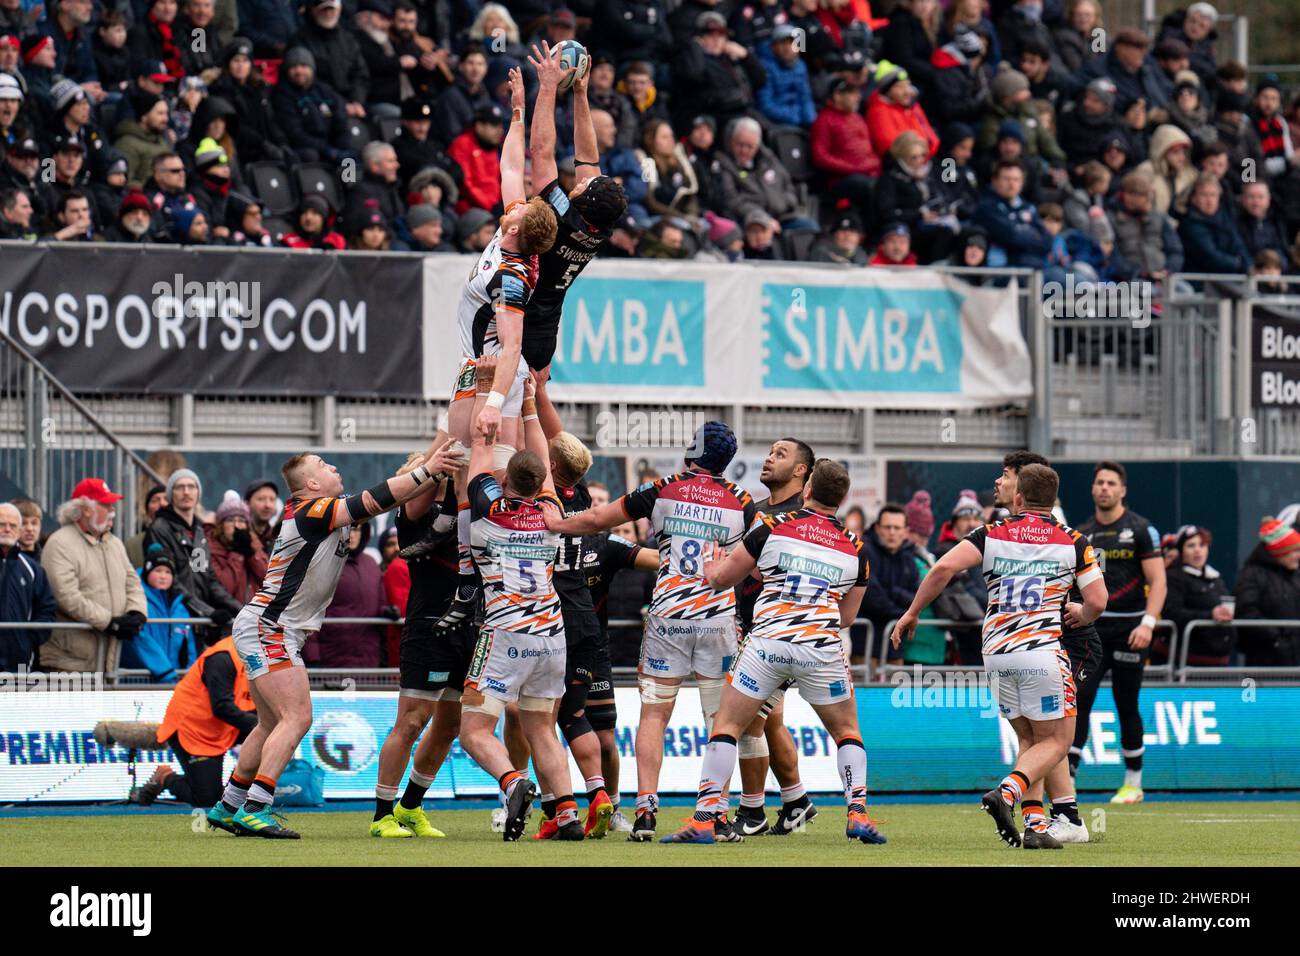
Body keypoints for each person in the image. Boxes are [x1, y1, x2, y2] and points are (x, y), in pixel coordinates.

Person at [204, 440, 464, 838]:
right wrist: (429, 469)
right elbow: (376, 500)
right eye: (323, 464)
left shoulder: (322, 510)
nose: (333, 467)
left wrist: (436, 452)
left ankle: (230, 804)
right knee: (297, 718)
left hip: (266, 626)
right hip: (269, 627)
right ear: (310, 482)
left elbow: (389, 493)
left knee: (271, 722)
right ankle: (257, 806)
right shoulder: (312, 510)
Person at [542, 421, 756, 842]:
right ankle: (713, 813)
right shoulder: (743, 501)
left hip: (667, 619)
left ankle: (645, 812)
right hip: (716, 622)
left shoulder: (663, 487)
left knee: (654, 717)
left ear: (692, 450)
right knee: (720, 721)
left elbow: (602, 518)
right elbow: (757, 561)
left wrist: (559, 523)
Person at [663, 459, 886, 846]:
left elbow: (722, 578)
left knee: (727, 727)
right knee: (847, 732)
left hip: (768, 643)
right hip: (821, 648)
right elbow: (847, 616)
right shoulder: (857, 549)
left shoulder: (771, 526)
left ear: (808, 490)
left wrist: (713, 566)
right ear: (843, 499)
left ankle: (703, 820)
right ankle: (858, 815)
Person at [895, 463, 1107, 850]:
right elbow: (1097, 600)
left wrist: (912, 612)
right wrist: (1083, 614)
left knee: (1029, 738)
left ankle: (1036, 826)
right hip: (1042, 651)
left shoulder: (991, 532)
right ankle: (1006, 793)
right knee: (1057, 743)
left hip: (995, 653)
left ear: (1020, 497)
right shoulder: (1073, 540)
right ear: (1053, 500)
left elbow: (943, 567)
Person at [434, 66, 558, 634]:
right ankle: (464, 561)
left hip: (489, 375)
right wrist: (516, 111)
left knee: (485, 470)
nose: (509, 205)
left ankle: (479, 582)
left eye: (515, 211)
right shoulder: (514, 228)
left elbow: (511, 348)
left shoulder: (512, 276)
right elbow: (513, 165)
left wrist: (496, 399)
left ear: (515, 231)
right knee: (458, 467)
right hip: (472, 369)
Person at [369, 453, 463, 839]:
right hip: (429, 629)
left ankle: (411, 806)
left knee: (450, 725)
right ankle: (381, 815)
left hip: (467, 628)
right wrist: (435, 470)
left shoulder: (466, 508)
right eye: (435, 473)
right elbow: (418, 494)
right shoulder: (412, 518)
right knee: (411, 721)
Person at [731, 438, 820, 838]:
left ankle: (752, 812)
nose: (769, 458)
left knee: (749, 720)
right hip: (750, 627)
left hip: (782, 632)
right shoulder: (758, 510)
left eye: (781, 454)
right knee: (770, 720)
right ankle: (796, 802)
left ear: (802, 471)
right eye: (769, 451)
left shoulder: (802, 517)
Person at [1072, 460, 1166, 805]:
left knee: (1126, 703)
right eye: (1099, 482)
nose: (1105, 488)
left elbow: (1158, 582)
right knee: (1079, 703)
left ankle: (1133, 783)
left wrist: (1148, 623)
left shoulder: (1141, 529)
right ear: (1093, 488)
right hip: (1093, 632)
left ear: (1122, 490)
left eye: (1111, 483)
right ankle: (1068, 779)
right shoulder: (1082, 533)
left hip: (1131, 630)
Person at [136, 634, 257, 808]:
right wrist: (260, 726)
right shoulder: (222, 657)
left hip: (223, 726)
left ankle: (240, 789)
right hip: (193, 727)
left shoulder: (260, 657)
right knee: (207, 800)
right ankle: (165, 777)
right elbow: (222, 706)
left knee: (268, 739)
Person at [40, 478, 147, 674]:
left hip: (109, 659)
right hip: (69, 661)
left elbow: (133, 582)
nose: (112, 509)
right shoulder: (60, 543)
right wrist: (109, 622)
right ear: (85, 509)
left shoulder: (114, 543)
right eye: (105, 505)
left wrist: (137, 612)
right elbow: (65, 595)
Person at [146, 468, 242, 642]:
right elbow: (169, 581)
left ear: (198, 493)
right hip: (175, 619)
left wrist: (240, 609)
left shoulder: (198, 530)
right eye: (179, 487)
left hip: (199, 623)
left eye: (191, 487)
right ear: (170, 495)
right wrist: (208, 612)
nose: (186, 492)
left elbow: (208, 579)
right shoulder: (160, 528)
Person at [119, 547, 196, 683]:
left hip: (174, 681)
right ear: (147, 573)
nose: (163, 576)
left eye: (167, 572)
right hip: (141, 681)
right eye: (157, 570)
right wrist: (165, 672)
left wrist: (191, 677)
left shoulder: (180, 608)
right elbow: (138, 643)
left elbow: (189, 647)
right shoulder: (137, 603)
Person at [1160, 525, 1233, 667]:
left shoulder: (1215, 578)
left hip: (1218, 661)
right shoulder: (1173, 577)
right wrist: (1210, 615)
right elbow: (1172, 613)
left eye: (1202, 545)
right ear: (1181, 550)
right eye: (1191, 545)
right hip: (1185, 663)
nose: (1197, 550)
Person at [1233, 518, 1300, 666]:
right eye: (1294, 551)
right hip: (1265, 661)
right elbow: (1246, 612)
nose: (1299, 556)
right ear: (1280, 551)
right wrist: (1277, 639)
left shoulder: (1295, 576)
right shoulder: (1252, 575)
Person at [859, 502, 920, 664]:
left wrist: (893, 592)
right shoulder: (865, 551)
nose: (892, 532)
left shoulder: (909, 557)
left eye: (897, 528)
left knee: (895, 688)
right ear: (877, 528)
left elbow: (917, 596)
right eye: (887, 527)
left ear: (905, 531)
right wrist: (904, 614)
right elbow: (872, 597)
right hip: (865, 646)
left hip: (896, 646)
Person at [0, 502, 57, 674]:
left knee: (16, 702)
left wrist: (27, 640)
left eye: (12, 526)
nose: (7, 529)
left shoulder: (33, 569)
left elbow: (47, 610)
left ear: (18, 532)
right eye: (2, 524)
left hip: (20, 662)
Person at [208, 496, 267, 605]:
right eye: (230, 520)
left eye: (241, 521)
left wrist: (251, 555)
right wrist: (237, 553)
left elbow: (268, 580)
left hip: (255, 617)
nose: (236, 525)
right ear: (221, 525)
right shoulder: (212, 549)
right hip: (230, 616)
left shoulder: (255, 545)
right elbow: (225, 588)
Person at [243, 478, 280, 552]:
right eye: (261, 499)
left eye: (272, 499)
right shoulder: (238, 536)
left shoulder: (279, 538)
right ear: (247, 504)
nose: (267, 505)